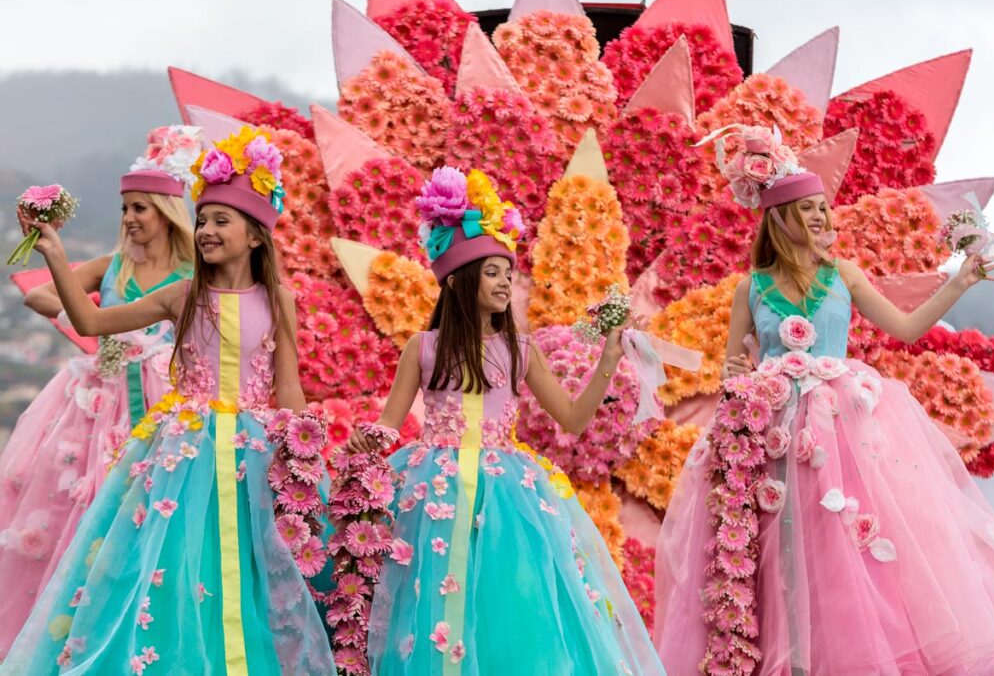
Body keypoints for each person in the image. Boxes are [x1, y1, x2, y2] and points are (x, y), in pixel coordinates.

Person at [655, 124, 994, 674]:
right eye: (810, 210)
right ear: (781, 218)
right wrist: (742, 371)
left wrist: (961, 281)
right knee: (777, 558)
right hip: (770, 437)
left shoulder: (843, 275)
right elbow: (735, 366)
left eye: (824, 208)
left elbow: (903, 328)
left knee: (848, 547)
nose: (823, 218)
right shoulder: (749, 288)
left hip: (843, 437)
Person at [1, 127, 334, 675]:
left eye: (220, 220)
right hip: (186, 454)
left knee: (251, 566)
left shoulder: (278, 299)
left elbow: (288, 385)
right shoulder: (184, 295)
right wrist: (56, 254)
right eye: (201, 219)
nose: (205, 229)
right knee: (179, 562)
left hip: (251, 454)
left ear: (256, 235)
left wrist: (297, 457)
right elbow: (90, 321)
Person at [351, 166, 665, 675]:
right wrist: (362, 452)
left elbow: (572, 417)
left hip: (507, 498)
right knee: (433, 602)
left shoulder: (520, 351)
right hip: (435, 492)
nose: (505, 283)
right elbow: (388, 425)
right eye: (492, 272)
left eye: (508, 273)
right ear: (457, 280)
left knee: (504, 603)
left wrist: (609, 357)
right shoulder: (423, 347)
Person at [0, 125, 198, 660]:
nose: (131, 218)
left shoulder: (192, 275)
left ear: (167, 212)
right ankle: (57, 636)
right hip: (98, 400)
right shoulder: (114, 268)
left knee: (144, 512)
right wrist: (94, 326)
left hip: (161, 403)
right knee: (76, 506)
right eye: (125, 208)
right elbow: (38, 297)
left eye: (141, 208)